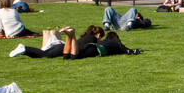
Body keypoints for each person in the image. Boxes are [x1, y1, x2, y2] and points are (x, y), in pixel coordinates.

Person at [11, 26, 141, 59]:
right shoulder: (92, 39)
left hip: (65, 46)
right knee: (45, 54)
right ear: (97, 35)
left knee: (45, 53)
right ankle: (25, 49)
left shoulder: (87, 37)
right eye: (100, 37)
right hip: (66, 46)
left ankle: (25, 49)